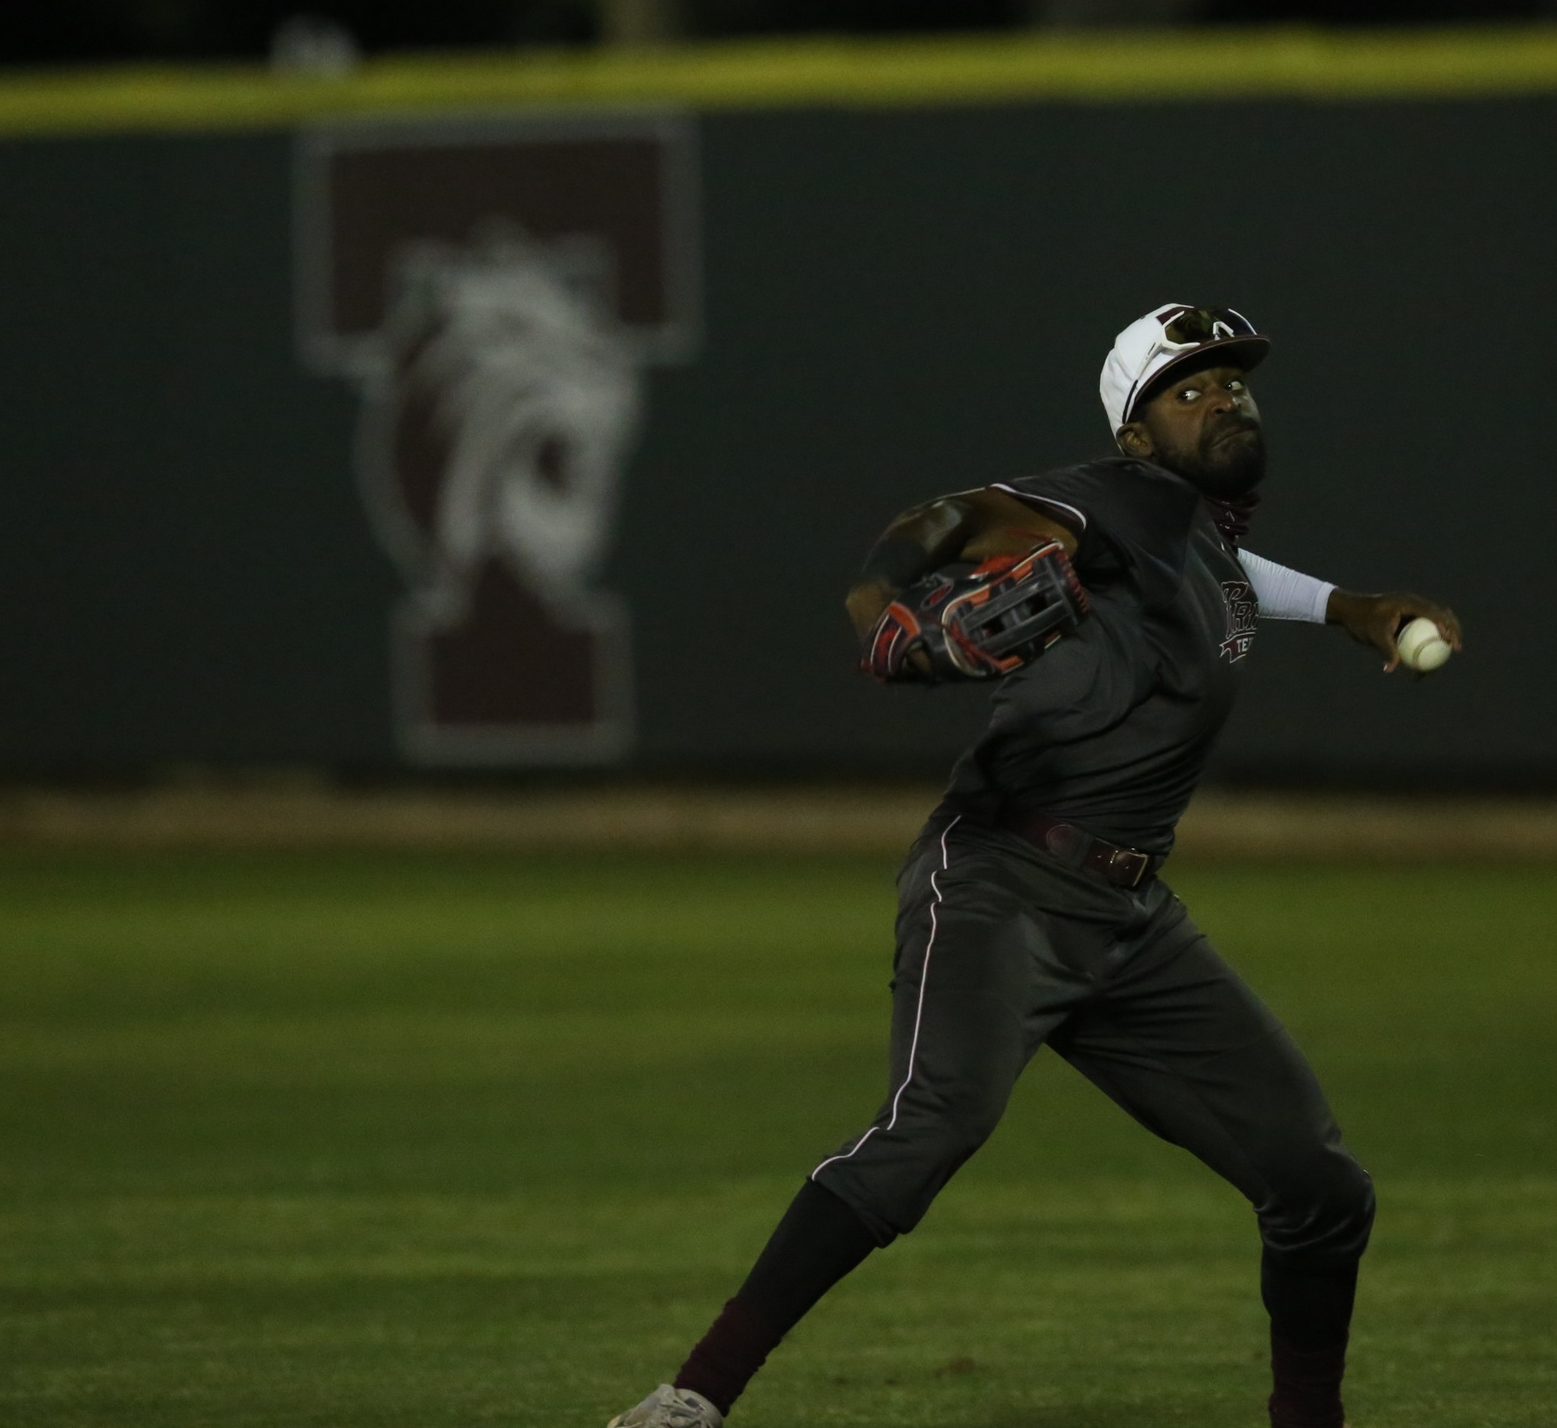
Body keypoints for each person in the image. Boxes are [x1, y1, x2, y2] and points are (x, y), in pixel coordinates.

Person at [608, 304, 1461, 1428]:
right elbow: (950, 517)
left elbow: (1223, 567)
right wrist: (880, 607)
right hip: (1003, 876)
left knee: (1318, 1188)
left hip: (1128, 918)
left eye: (1233, 380)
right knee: (926, 1134)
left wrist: (1347, 606)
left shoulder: (1182, 534)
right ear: (1137, 436)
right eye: (1187, 387)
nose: (1224, 397)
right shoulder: (1114, 496)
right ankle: (689, 1399)